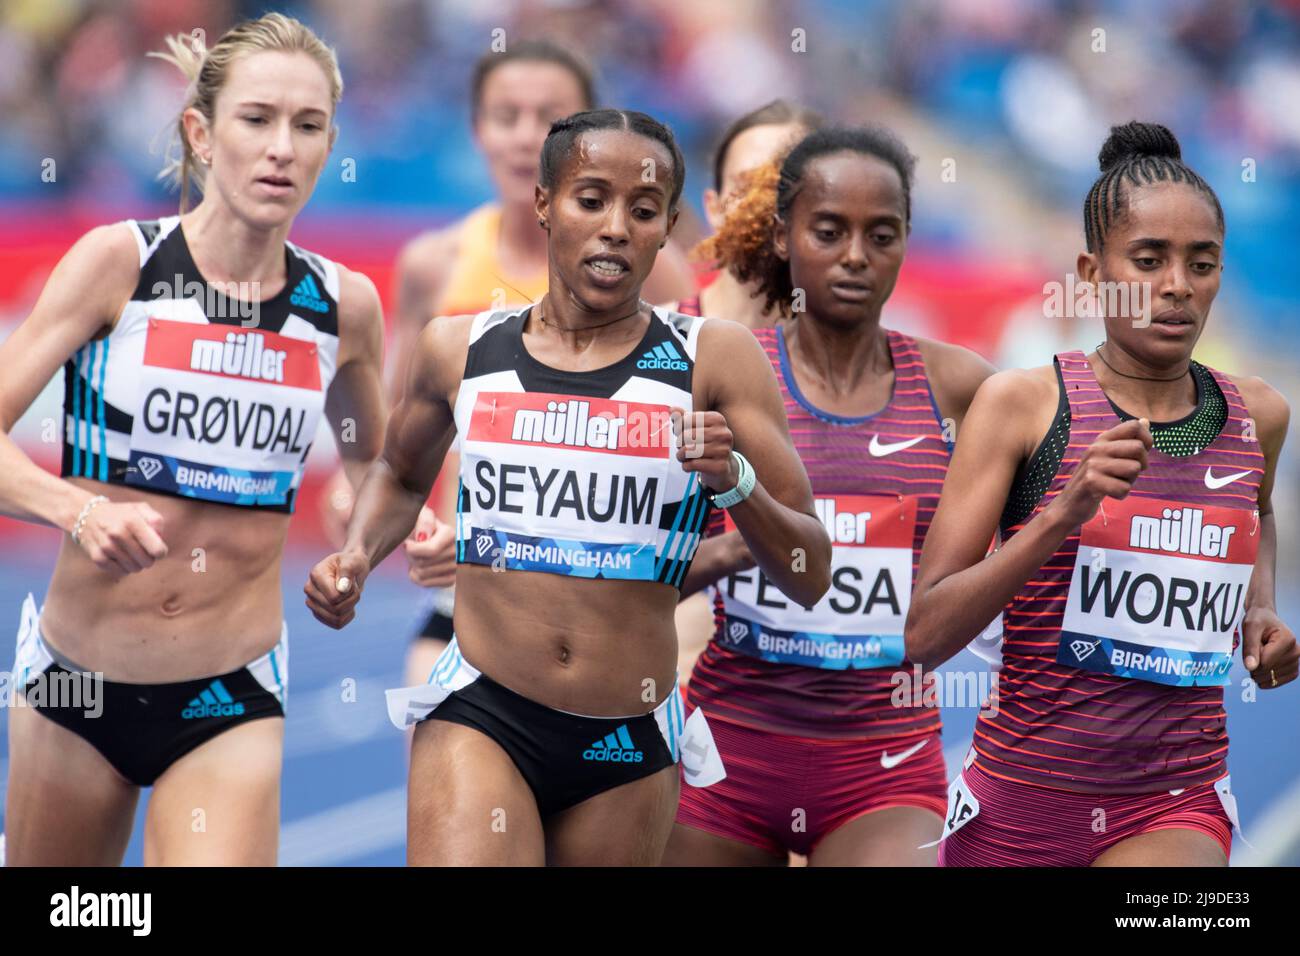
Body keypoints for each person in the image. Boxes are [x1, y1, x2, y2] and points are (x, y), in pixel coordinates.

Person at [305, 108, 832, 865]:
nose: (616, 227)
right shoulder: (462, 348)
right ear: (545, 205)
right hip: (482, 707)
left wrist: (734, 481)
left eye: (643, 211)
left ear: (668, 227)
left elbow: (810, 570)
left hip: (627, 734)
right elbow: (397, 472)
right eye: (591, 200)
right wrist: (356, 556)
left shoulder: (714, 360)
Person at [1, 14, 386, 865]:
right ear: (201, 134)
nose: (282, 147)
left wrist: (362, 542)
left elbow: (372, 469)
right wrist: (78, 510)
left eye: (309, 125)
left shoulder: (344, 306)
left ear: (330, 145)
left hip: (229, 692)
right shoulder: (120, 265)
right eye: (257, 119)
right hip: (79, 685)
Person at [906, 121, 1298, 867]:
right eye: (1148, 260)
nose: (1178, 285)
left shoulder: (1259, 416)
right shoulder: (1023, 406)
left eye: (1202, 262)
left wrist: (1259, 609)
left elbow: (1259, 508)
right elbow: (926, 635)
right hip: (1020, 799)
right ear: (1092, 273)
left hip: (1177, 802)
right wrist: (1061, 514)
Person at [319, 41, 696, 692]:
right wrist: (362, 504)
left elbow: (694, 439)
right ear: (476, 130)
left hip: (613, 602)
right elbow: (391, 447)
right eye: (505, 115)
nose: (526, 137)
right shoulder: (434, 265)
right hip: (469, 591)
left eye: (549, 116)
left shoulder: (656, 270)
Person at [663, 126, 994, 866]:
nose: (855, 256)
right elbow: (643, 576)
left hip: (884, 763)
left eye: (881, 235)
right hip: (727, 749)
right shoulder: (725, 375)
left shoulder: (961, 388)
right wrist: (755, 542)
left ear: (907, 241)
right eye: (829, 230)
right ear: (782, 238)